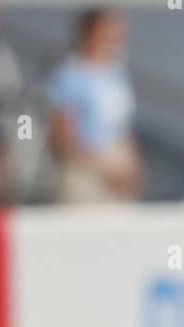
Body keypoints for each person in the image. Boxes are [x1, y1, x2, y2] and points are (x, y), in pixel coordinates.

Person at [46, 7, 140, 204]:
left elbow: (123, 126)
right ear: (89, 32)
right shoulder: (69, 75)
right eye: (107, 30)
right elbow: (61, 138)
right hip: (86, 172)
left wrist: (132, 165)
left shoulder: (117, 71)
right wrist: (102, 170)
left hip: (119, 171)